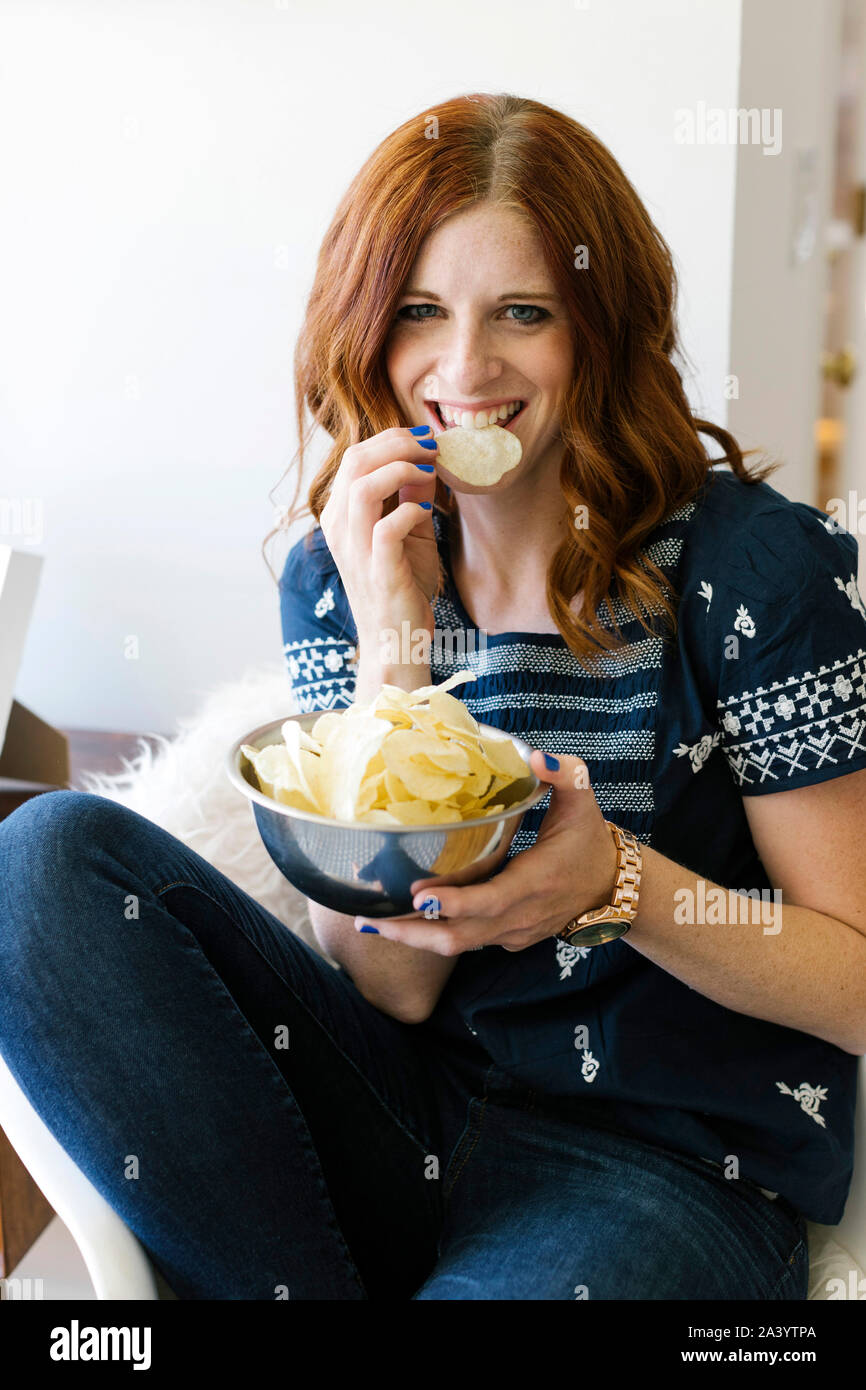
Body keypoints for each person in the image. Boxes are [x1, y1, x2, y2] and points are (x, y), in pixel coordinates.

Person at [2, 93, 865, 1301]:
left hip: (655, 1162)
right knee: (43, 856)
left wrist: (616, 885)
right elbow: (386, 984)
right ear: (366, 329)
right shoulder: (341, 568)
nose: (464, 368)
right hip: (394, 1108)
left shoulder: (752, 572)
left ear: (599, 330)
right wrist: (393, 647)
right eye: (419, 312)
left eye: (523, 312)